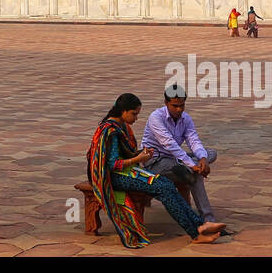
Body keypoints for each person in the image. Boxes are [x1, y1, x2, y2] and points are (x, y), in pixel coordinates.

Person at [86, 93, 226, 248]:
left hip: (129, 171)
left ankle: (200, 225)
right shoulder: (109, 131)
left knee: (166, 184)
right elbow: (112, 165)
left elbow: (127, 154)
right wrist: (137, 159)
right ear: (123, 111)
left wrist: (141, 155)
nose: (136, 118)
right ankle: (196, 232)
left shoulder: (122, 127)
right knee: (163, 187)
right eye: (134, 114)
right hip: (113, 177)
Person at [141, 85, 230, 232]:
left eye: (182, 105)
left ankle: (190, 169)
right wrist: (193, 165)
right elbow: (169, 144)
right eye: (175, 106)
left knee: (211, 153)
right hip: (156, 162)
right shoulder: (156, 117)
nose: (179, 109)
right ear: (166, 103)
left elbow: (193, 140)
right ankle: (208, 220)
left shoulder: (186, 118)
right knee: (195, 174)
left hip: (176, 160)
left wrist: (202, 159)